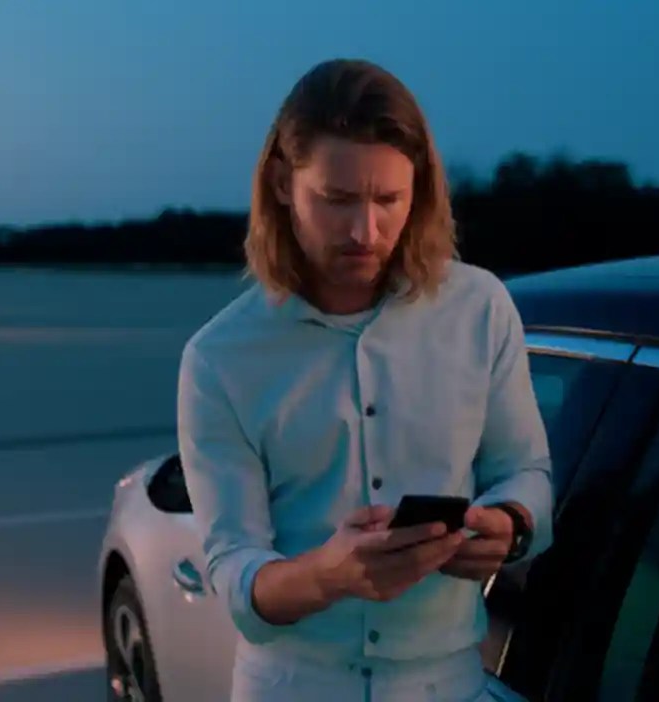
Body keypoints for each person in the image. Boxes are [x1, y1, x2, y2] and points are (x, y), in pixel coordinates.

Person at [177, 58, 553, 702]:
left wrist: (511, 525)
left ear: (422, 192)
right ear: (280, 184)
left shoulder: (480, 308)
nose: (365, 231)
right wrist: (328, 575)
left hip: (450, 684)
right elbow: (234, 569)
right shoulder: (219, 358)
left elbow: (528, 472)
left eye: (388, 200)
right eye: (337, 199)